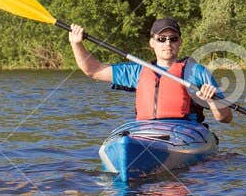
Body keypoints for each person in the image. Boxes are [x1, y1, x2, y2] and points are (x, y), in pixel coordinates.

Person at [69, 16, 233, 124]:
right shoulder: (138, 71)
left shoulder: (196, 71)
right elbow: (93, 70)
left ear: (180, 42)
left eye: (173, 39)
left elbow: (226, 118)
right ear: (152, 43)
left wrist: (212, 101)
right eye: (161, 39)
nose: (167, 44)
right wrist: (76, 44)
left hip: (186, 133)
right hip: (146, 132)